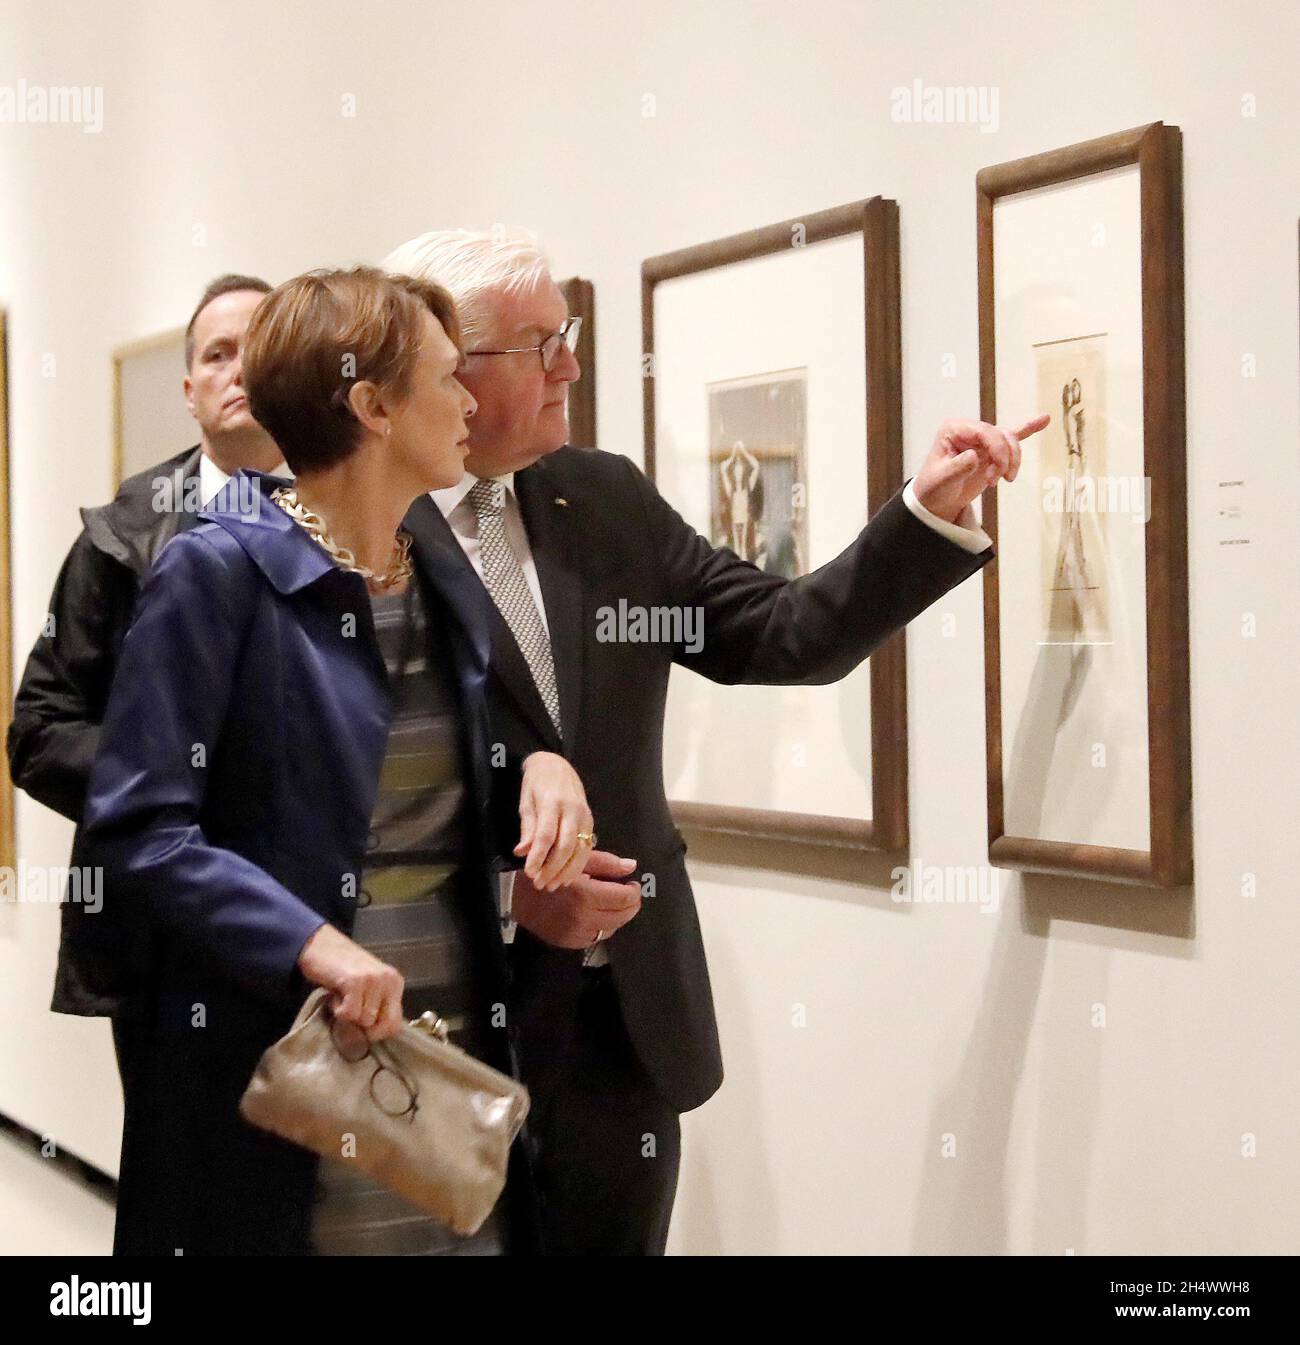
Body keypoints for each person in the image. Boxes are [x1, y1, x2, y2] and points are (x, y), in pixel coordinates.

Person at [382, 227, 1049, 1255]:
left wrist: (922, 514)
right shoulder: (356, 533)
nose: (571, 365)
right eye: (539, 345)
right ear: (446, 363)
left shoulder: (600, 497)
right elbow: (347, 809)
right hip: (441, 1023)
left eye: (570, 335)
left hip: (619, 1023)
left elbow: (779, 635)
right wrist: (507, 895)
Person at [73, 266, 593, 1255]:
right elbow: (138, 828)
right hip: (290, 1048)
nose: (469, 400)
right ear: (371, 406)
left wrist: (534, 774)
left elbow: (436, 774)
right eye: (447, 378)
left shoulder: (436, 567)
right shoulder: (217, 570)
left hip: (447, 1054)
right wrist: (312, 942)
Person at [7, 274, 289, 1041]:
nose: (241, 370)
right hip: (169, 933)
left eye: (261, 350)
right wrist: (183, 775)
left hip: (328, 916)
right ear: (191, 388)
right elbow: (37, 733)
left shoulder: (360, 515)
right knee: (183, 1159)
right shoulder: (121, 536)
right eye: (220, 354)